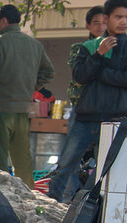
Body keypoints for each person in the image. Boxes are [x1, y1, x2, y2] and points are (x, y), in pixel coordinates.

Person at [48, 1, 125, 202]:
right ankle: (51, 204)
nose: (123, 22)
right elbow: (80, 76)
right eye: (118, 17)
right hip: (87, 116)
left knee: (109, 169)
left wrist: (100, 73)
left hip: (116, 120)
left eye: (126, 17)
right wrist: (98, 56)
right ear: (107, 19)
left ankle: (98, 209)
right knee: (67, 164)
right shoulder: (89, 47)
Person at [0, 4, 55, 188]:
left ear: (3, 21)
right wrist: (30, 89)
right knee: (22, 162)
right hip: (22, 111)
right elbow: (49, 72)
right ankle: (27, 197)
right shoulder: (34, 45)